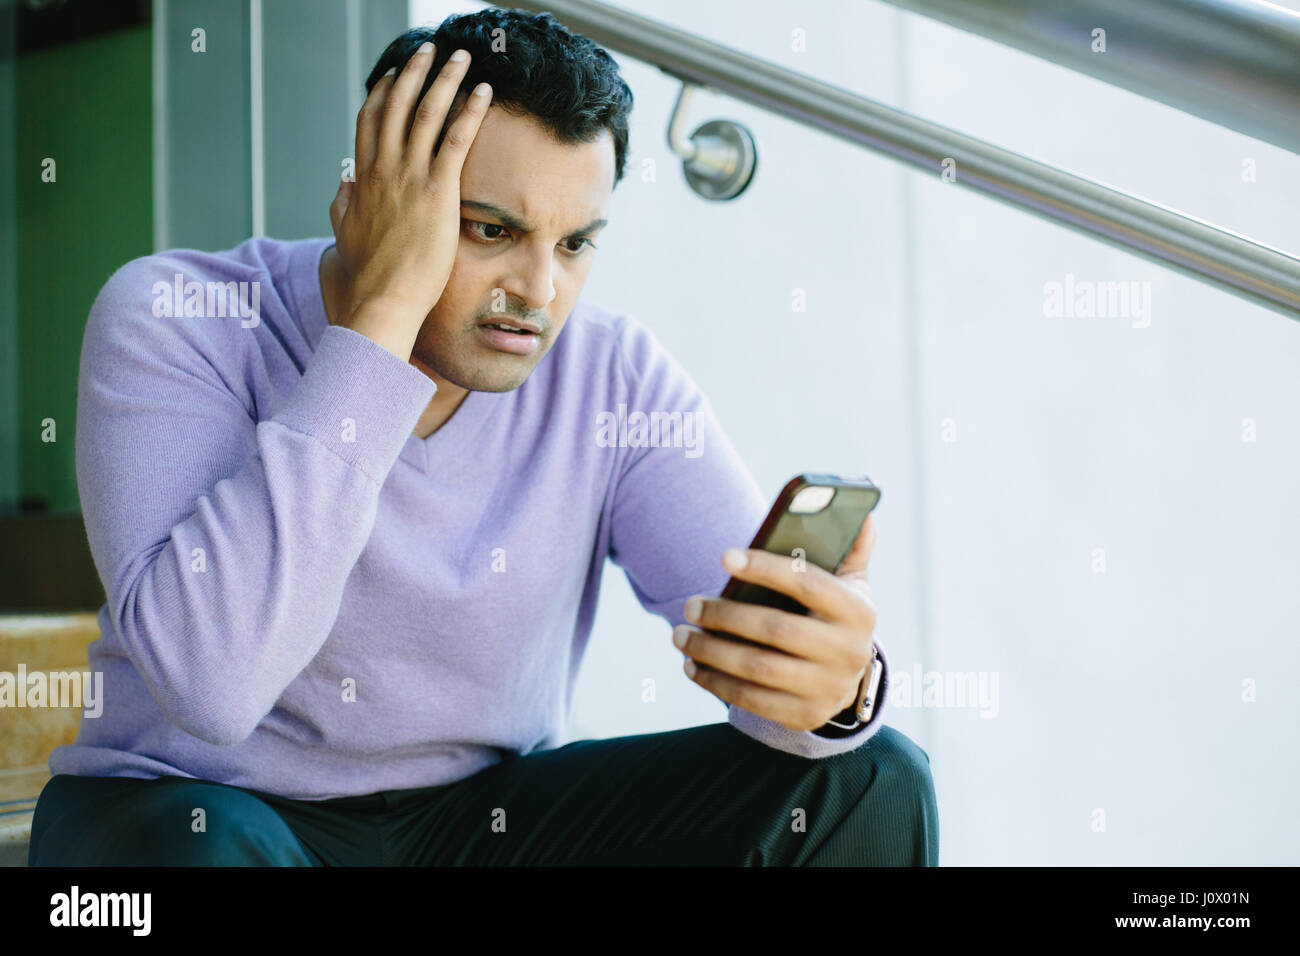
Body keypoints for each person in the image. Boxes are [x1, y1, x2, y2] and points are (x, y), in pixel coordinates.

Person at [29, 8, 937, 866]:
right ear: (373, 194)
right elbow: (213, 689)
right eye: (490, 230)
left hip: (479, 824)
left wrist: (835, 690)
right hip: (193, 809)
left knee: (872, 778)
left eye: (576, 244)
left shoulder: (610, 375)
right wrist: (380, 319)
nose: (539, 290)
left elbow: (768, 662)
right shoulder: (179, 319)